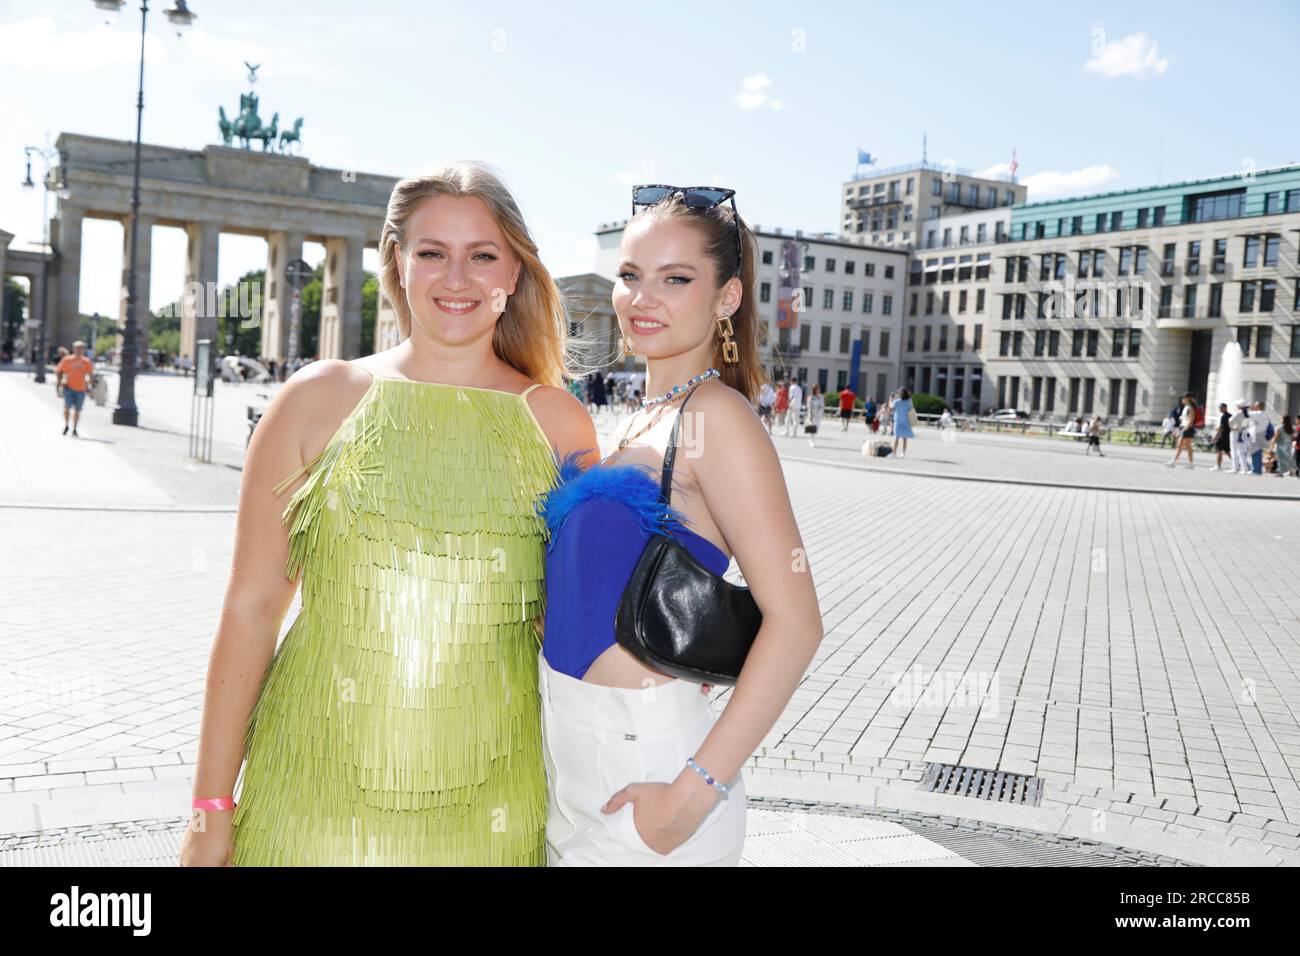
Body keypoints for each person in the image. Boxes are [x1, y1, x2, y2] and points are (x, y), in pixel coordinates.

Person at [182, 161, 598, 867]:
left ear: (515, 272)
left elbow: (572, 630)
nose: (457, 278)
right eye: (432, 252)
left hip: (492, 806)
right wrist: (210, 809)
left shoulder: (560, 424)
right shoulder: (316, 400)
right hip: (310, 795)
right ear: (397, 262)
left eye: (483, 255)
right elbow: (252, 609)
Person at [535, 184, 823, 865]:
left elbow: (797, 621)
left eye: (676, 279)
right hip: (571, 765)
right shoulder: (638, 419)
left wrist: (689, 799)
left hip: (650, 774)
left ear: (727, 297)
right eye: (630, 275)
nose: (643, 298)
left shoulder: (715, 417)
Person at [54, 340, 96, 437]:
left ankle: (75, 428)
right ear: (73, 349)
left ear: (84, 350)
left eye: (81, 348)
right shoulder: (67, 359)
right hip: (68, 388)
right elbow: (58, 371)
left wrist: (91, 388)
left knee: (78, 410)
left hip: (81, 389)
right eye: (77, 348)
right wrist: (60, 382)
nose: (79, 350)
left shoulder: (86, 361)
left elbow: (90, 375)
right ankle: (66, 425)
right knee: (66, 408)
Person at [1166, 392, 1196, 468]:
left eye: (1183, 398)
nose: (1182, 399)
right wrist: (1182, 419)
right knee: (1186, 446)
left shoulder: (1190, 408)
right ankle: (1190, 463)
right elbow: (1186, 419)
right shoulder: (1186, 407)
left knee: (1181, 445)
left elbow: (1191, 420)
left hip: (1187, 428)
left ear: (1187, 399)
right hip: (1184, 428)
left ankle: (1174, 462)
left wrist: (1185, 428)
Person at [892, 387, 915, 457]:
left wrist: (891, 400)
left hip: (898, 420)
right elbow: (911, 408)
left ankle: (894, 453)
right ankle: (903, 453)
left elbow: (891, 407)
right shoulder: (909, 401)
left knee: (896, 437)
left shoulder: (896, 401)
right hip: (906, 420)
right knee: (904, 438)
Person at [1211, 402, 1232, 471]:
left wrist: (1216, 437)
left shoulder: (1224, 416)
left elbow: (1221, 428)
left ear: (1225, 408)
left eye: (1221, 408)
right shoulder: (1230, 415)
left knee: (1219, 451)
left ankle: (1218, 466)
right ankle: (1237, 463)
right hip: (1228, 435)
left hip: (1222, 436)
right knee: (1227, 451)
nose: (1219, 409)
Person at [806, 383, 825, 447]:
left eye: (819, 389)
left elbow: (822, 405)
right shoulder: (811, 397)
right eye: (817, 389)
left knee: (817, 428)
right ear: (814, 390)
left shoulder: (821, 397)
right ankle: (812, 441)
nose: (818, 390)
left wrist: (822, 412)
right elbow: (809, 406)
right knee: (812, 428)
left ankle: (810, 438)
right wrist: (810, 415)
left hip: (818, 415)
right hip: (812, 414)